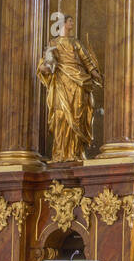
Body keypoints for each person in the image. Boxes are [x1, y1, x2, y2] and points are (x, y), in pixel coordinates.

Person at [37, 15, 102, 162]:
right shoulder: (53, 44)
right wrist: (47, 66)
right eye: (70, 21)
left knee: (77, 115)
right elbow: (44, 65)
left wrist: (96, 74)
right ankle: (60, 152)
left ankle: (76, 152)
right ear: (63, 24)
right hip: (61, 82)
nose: (72, 23)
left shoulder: (76, 43)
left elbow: (87, 61)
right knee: (61, 116)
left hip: (78, 82)